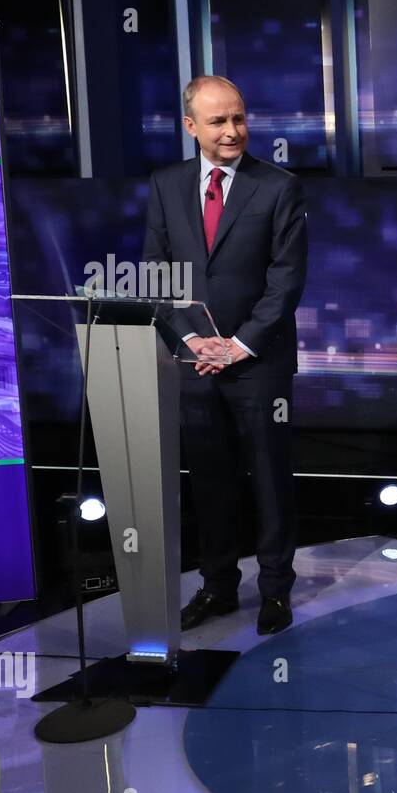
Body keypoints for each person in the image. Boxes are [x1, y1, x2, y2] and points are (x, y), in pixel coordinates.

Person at [144, 75, 308, 636]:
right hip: (194, 361)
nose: (233, 130)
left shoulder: (279, 187)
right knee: (210, 480)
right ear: (191, 126)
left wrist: (237, 346)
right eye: (218, 121)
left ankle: (275, 592)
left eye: (239, 117)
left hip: (257, 361)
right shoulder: (165, 185)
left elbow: (285, 282)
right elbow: (157, 273)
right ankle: (216, 587)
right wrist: (191, 341)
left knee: (268, 478)